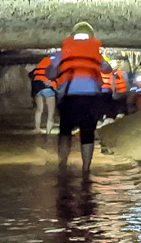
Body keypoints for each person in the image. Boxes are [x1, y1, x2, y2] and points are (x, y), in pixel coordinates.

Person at [46, 21, 111, 176]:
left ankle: (62, 164)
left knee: (65, 131)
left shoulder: (63, 52)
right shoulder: (96, 54)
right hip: (91, 98)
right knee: (87, 133)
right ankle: (86, 169)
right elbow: (107, 69)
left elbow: (50, 74)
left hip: (69, 97)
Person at [29, 53, 57, 134]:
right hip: (47, 88)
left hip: (37, 88)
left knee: (39, 109)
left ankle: (37, 129)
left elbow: (30, 74)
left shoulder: (40, 65)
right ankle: (48, 132)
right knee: (50, 112)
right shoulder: (54, 66)